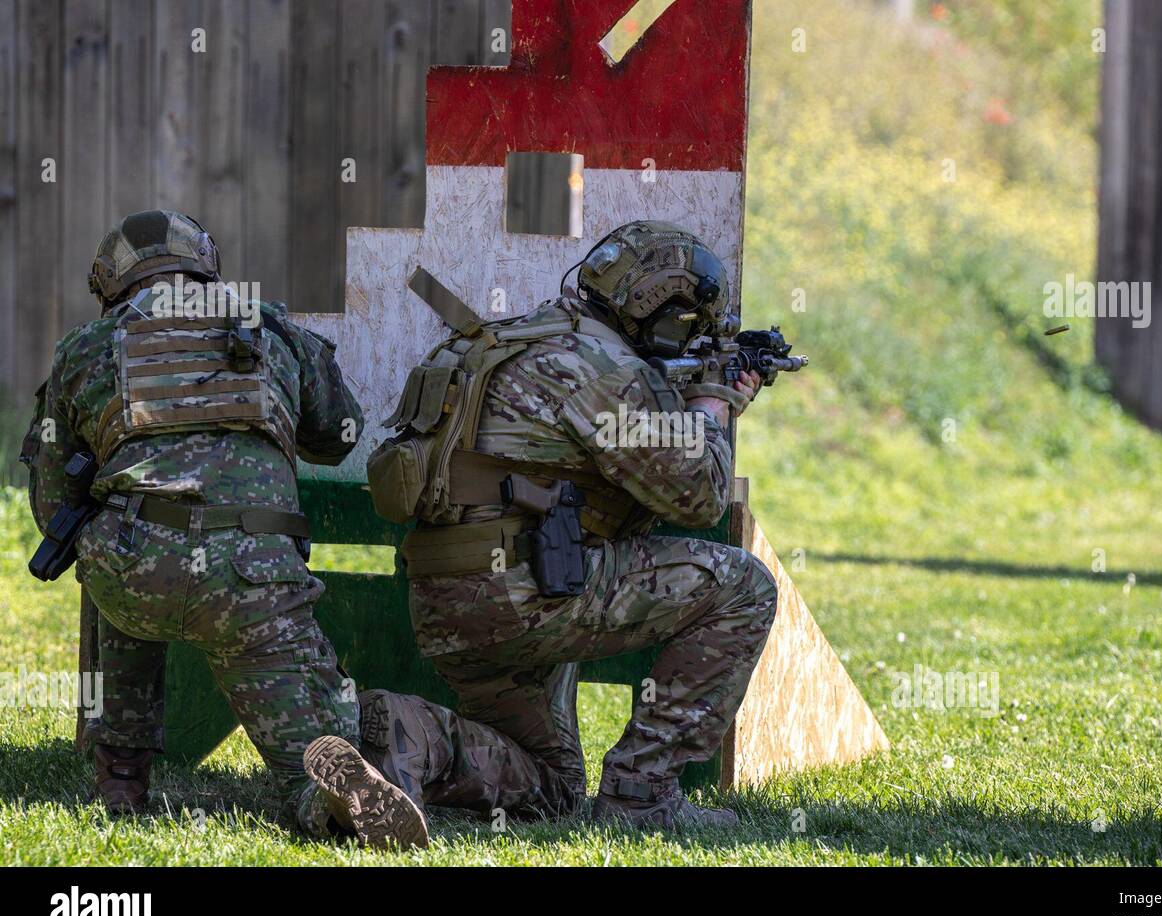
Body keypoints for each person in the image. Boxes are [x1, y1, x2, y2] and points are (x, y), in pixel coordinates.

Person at [20, 209, 427, 849]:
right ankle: (325, 796)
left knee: (106, 551)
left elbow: (53, 504)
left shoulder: (86, 347)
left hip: (135, 565)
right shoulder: (267, 326)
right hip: (253, 573)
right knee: (311, 753)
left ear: (109, 281)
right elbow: (337, 434)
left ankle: (122, 777)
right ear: (206, 263)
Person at [363, 220, 778, 828]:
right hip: (531, 594)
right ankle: (643, 797)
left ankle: (408, 733)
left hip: (444, 599)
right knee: (744, 587)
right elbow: (700, 496)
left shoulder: (501, 341)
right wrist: (712, 409)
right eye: (680, 321)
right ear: (648, 303)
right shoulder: (602, 367)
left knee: (551, 787)